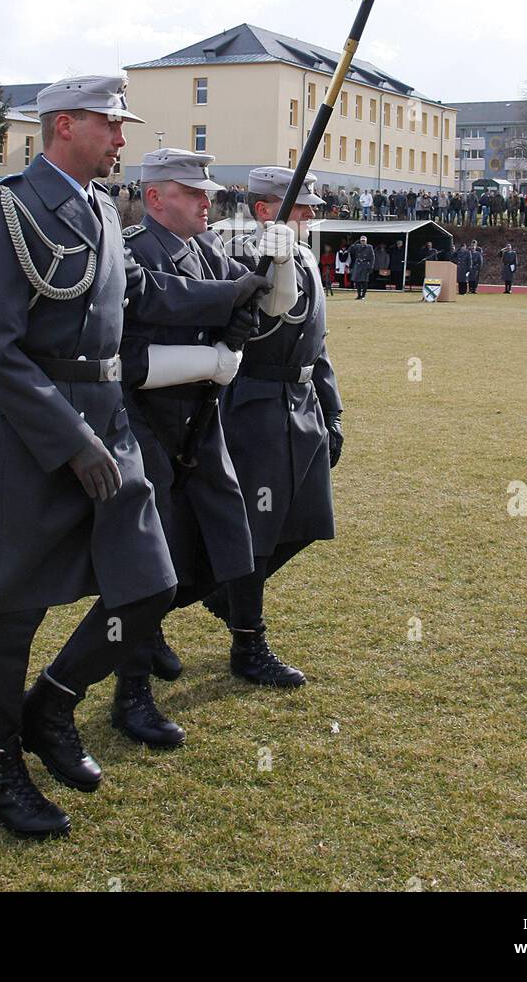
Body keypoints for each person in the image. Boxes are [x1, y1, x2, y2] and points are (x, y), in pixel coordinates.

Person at [0, 76, 268, 839]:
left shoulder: (96, 207)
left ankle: (51, 706)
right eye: (110, 125)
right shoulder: (4, 208)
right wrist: (70, 442)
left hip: (107, 423)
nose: (123, 140)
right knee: (14, 609)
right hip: (31, 435)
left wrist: (231, 293)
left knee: (149, 584)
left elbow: (143, 293)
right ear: (64, 127)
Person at [111, 148, 295, 745]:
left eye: (208, 192)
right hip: (148, 422)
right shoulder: (134, 254)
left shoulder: (208, 250)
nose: (206, 202)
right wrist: (214, 349)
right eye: (193, 193)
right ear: (157, 198)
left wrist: (242, 316)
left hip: (202, 420)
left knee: (223, 543)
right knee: (151, 559)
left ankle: (218, 638)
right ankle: (131, 691)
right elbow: (127, 355)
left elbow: (251, 312)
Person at [207, 165, 343, 687]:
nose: (310, 212)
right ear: (265, 210)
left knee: (309, 520)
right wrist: (272, 263)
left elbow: (318, 340)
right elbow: (259, 325)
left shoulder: (306, 254)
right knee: (257, 533)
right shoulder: (242, 253)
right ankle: (249, 642)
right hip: (258, 403)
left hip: (303, 398)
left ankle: (225, 595)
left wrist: (332, 409)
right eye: (300, 204)